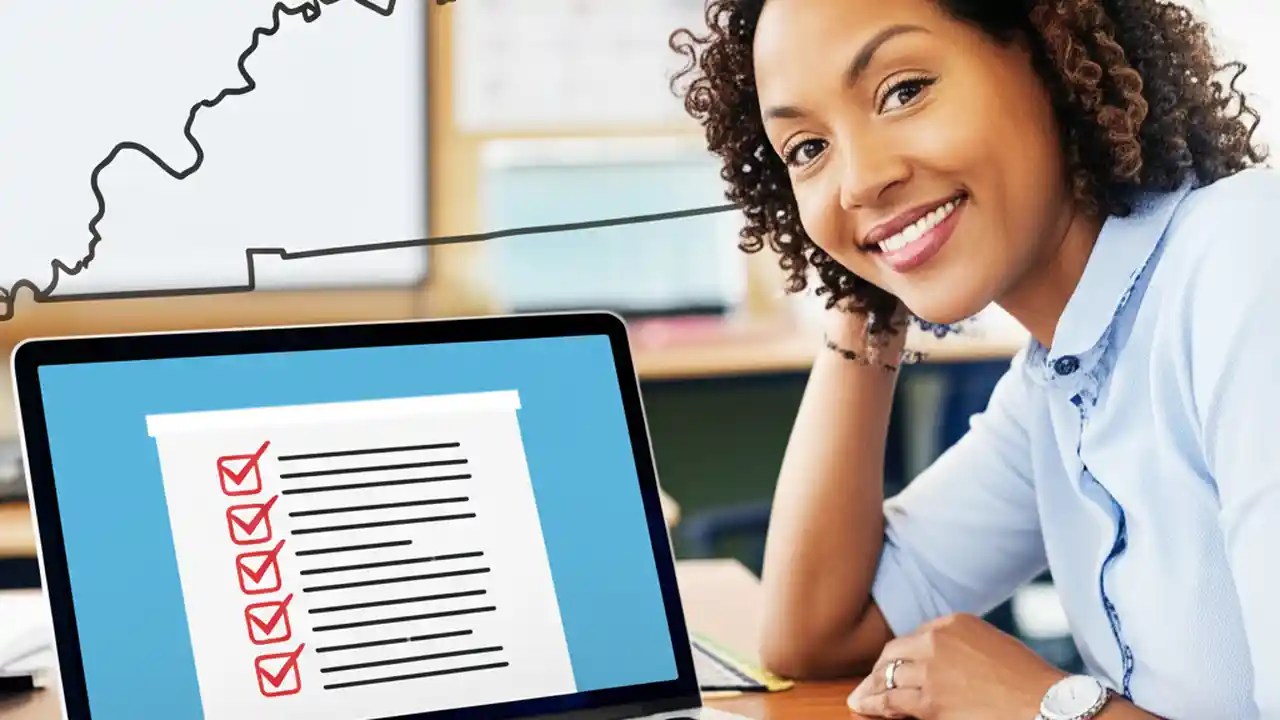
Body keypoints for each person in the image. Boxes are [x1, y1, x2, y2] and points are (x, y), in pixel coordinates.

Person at [669, 0, 1276, 718]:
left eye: (903, 91)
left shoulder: (1247, 257)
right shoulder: (1059, 379)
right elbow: (814, 635)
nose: (859, 180)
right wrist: (865, 283)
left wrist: (1041, 705)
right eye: (807, 149)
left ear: (1050, 55)